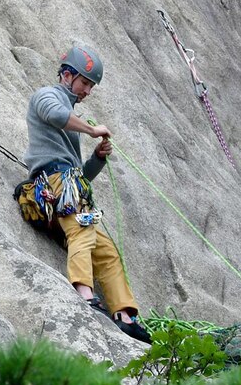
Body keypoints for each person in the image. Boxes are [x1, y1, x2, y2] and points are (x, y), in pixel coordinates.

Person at [21, 44, 152, 344]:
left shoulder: (71, 120)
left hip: (70, 185)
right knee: (81, 232)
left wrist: (98, 158)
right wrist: (91, 131)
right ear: (67, 75)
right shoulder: (47, 96)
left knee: (106, 251)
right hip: (53, 182)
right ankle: (83, 295)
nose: (88, 91)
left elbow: (83, 175)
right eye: (85, 83)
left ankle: (125, 315)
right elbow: (53, 114)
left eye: (91, 86)